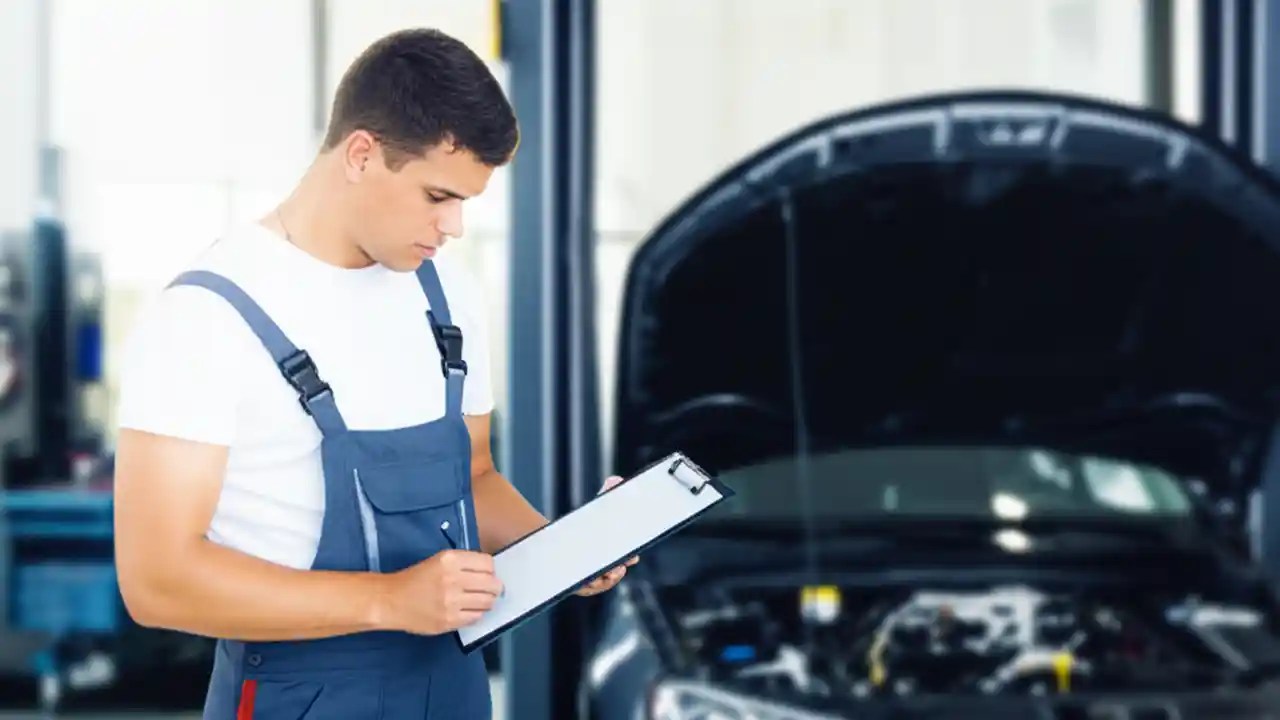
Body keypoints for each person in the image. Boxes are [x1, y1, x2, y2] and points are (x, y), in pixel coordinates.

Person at [112, 27, 633, 719]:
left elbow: (472, 478)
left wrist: (562, 551)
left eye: (466, 203)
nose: (453, 227)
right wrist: (390, 601)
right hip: (298, 694)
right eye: (437, 195)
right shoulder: (206, 316)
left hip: (451, 683)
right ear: (362, 154)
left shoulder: (446, 298)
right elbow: (157, 581)